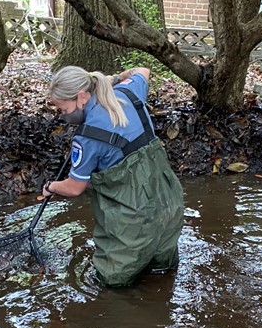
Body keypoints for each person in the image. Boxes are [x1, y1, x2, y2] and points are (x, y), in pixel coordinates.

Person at [43, 65, 184, 287]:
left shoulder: (87, 138)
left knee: (112, 283)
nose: (63, 115)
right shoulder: (128, 92)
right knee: (162, 275)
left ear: (81, 97)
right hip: (168, 202)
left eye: (63, 109)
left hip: (132, 218)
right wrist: (114, 78)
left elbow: (74, 187)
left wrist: (52, 187)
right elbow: (143, 71)